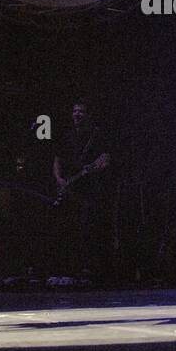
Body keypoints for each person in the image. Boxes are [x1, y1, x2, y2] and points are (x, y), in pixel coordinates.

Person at [52, 100, 114, 282]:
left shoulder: (96, 135)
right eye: (74, 111)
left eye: (81, 111)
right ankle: (66, 268)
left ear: (88, 115)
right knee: (66, 228)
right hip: (68, 188)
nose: (77, 114)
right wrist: (59, 179)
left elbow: (105, 159)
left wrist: (94, 168)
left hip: (88, 189)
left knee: (87, 227)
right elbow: (57, 159)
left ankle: (88, 269)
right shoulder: (66, 135)